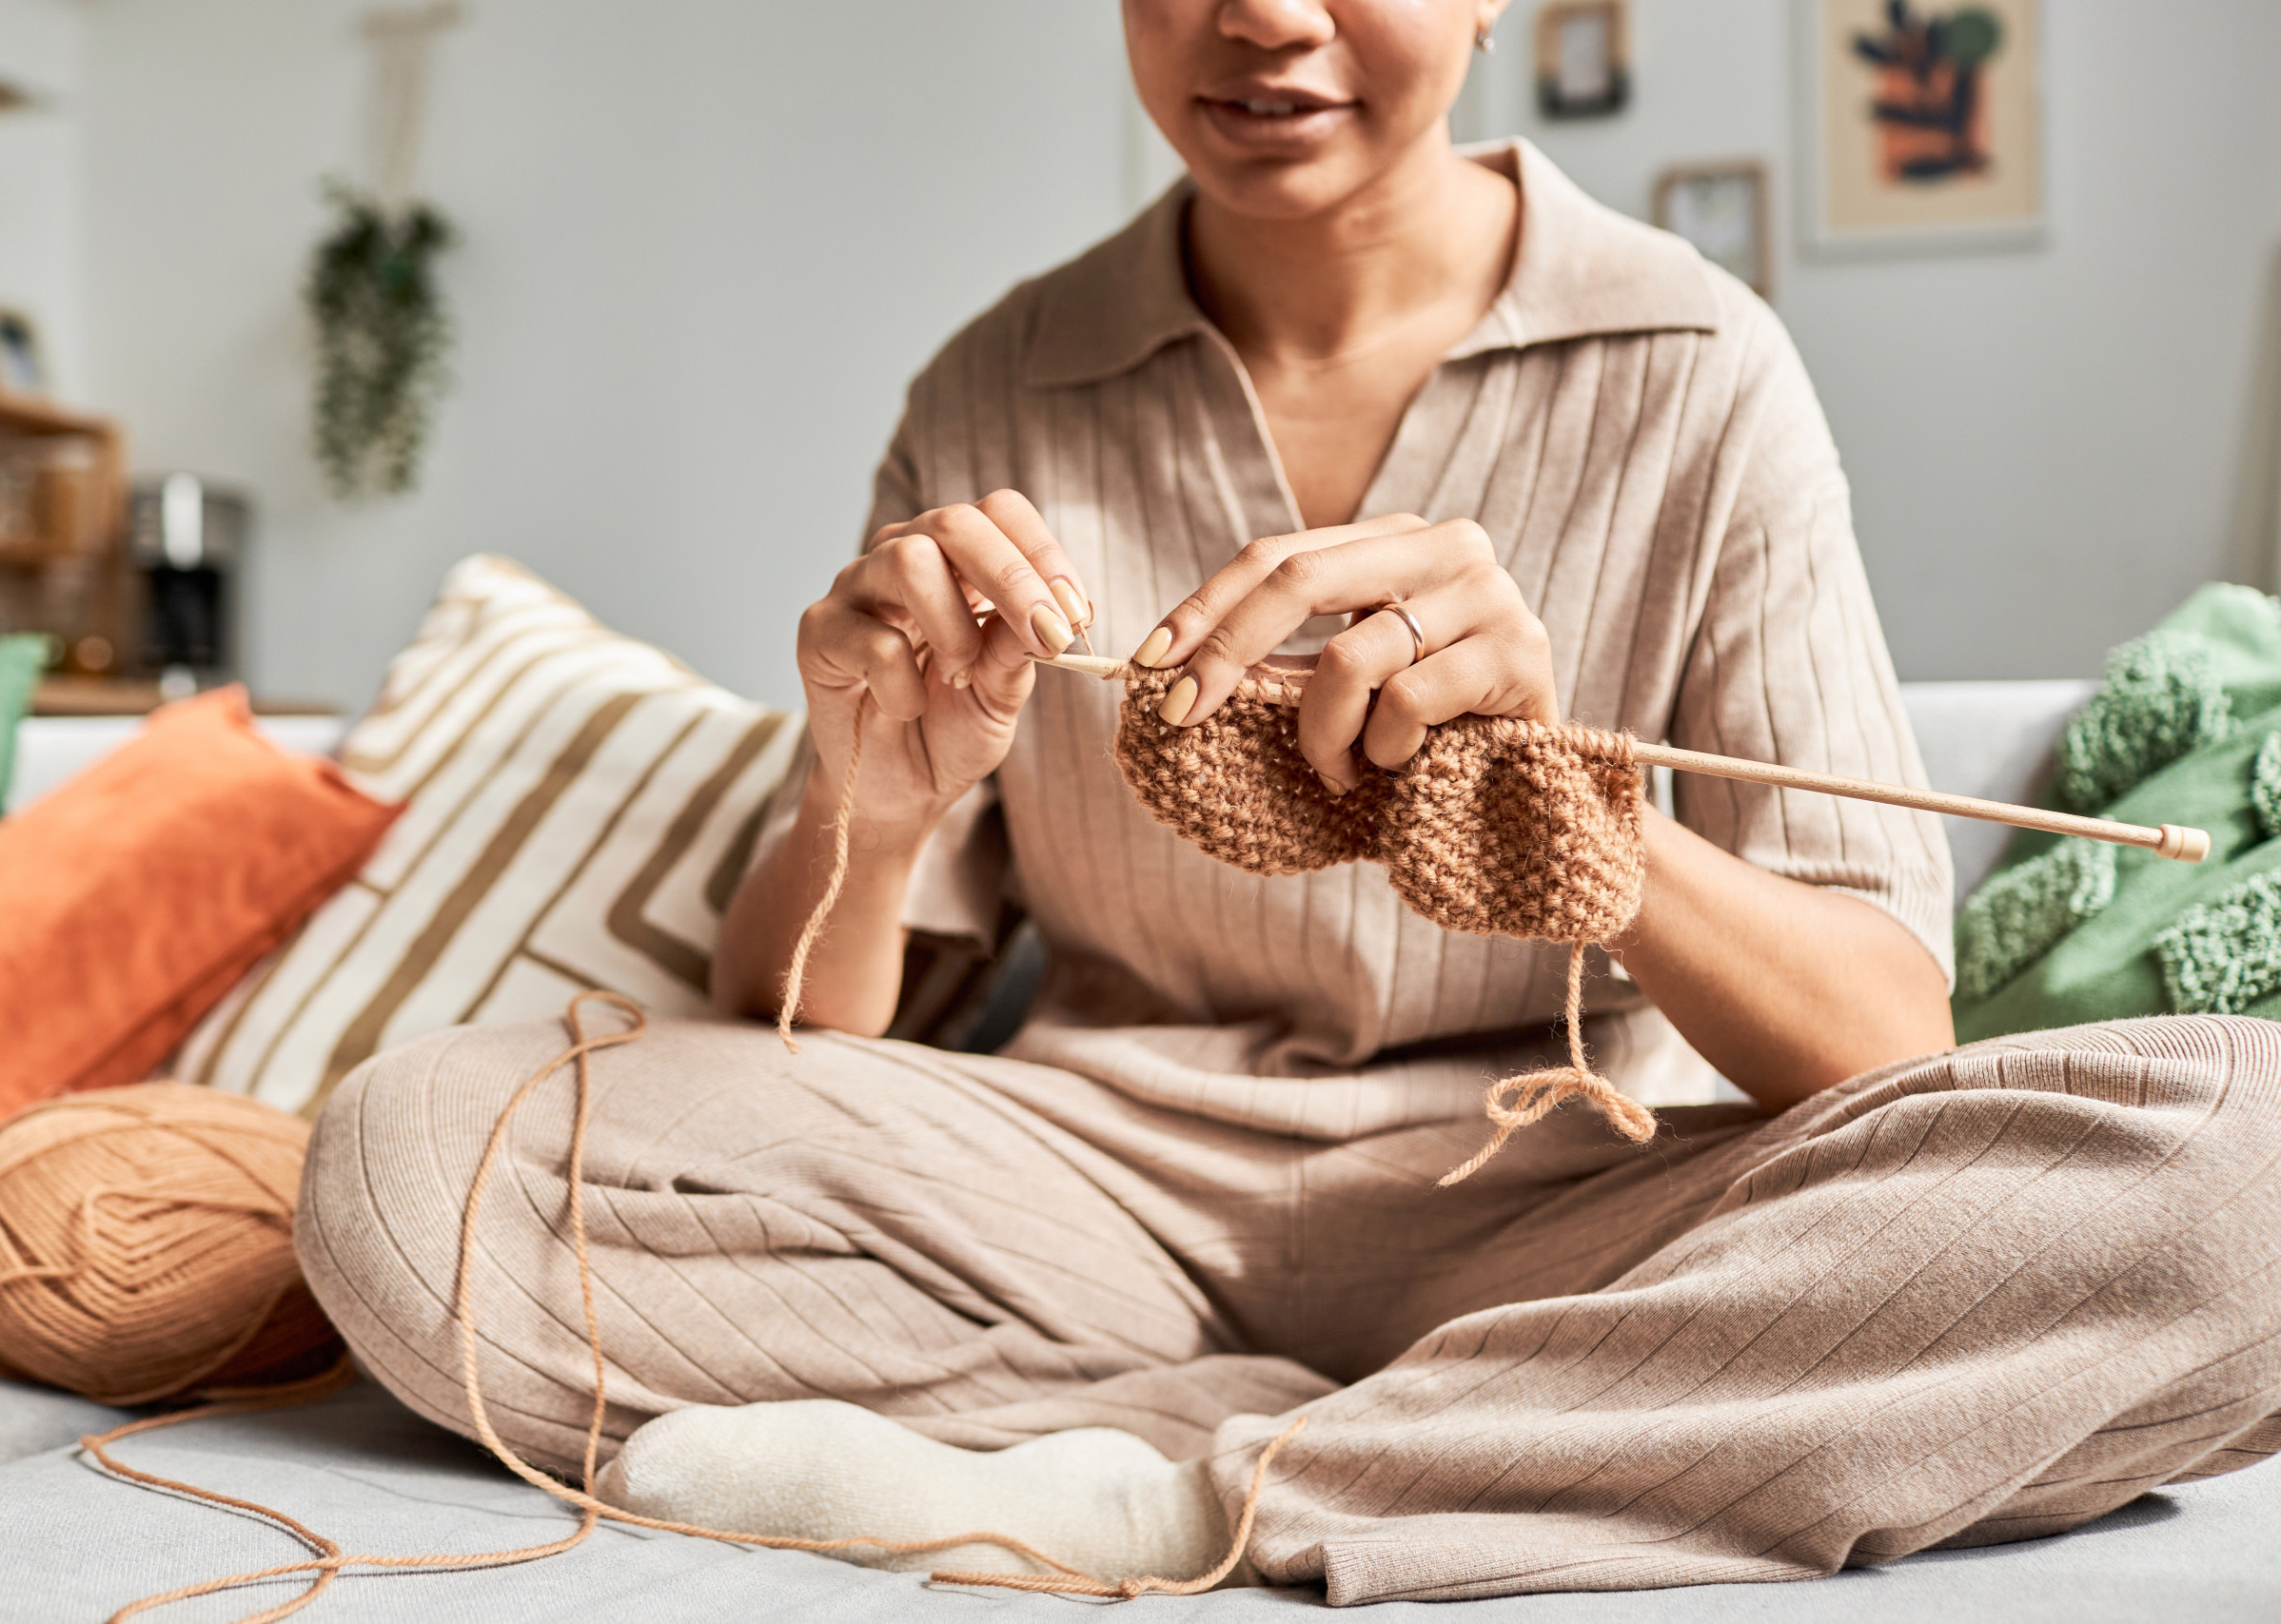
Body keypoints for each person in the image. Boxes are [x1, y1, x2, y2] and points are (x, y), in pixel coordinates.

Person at [296, 0, 2281, 1603]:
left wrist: (1587, 835)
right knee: (402, 1168)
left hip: (1564, 1193)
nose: (1257, 19)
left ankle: (1193, 1490)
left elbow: (1880, 1041)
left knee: (2250, 1178)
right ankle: (1455, 1434)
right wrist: (870, 806)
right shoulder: (1001, 379)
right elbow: (805, 1045)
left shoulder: (1698, 367)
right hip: (1095, 1181)